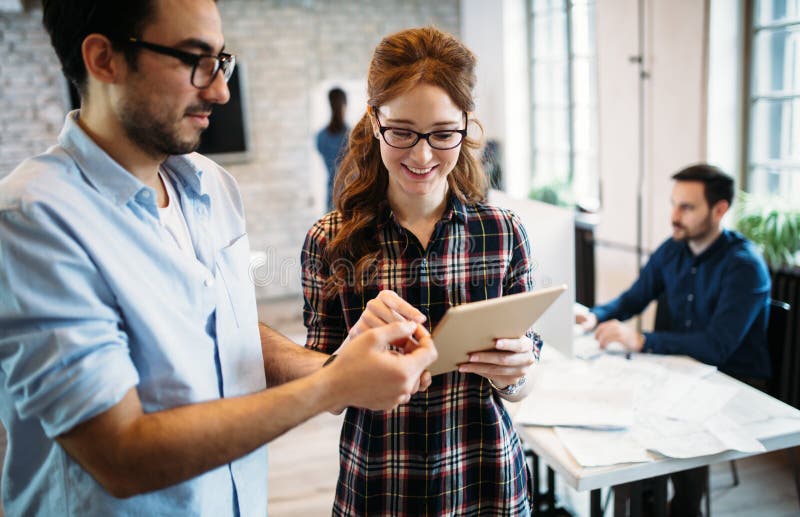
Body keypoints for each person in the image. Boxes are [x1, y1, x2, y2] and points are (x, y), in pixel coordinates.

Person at [0, 1, 436, 515]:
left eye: (220, 61)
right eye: (193, 60)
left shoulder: (210, 184)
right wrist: (330, 386)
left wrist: (337, 365)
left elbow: (227, 330)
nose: (221, 89)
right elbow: (119, 454)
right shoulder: (34, 219)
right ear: (103, 59)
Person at [301, 26, 540, 516]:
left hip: (487, 483)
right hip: (382, 487)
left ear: (467, 125)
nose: (422, 155)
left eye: (443, 134)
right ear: (374, 120)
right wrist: (349, 360)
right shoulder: (331, 240)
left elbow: (521, 382)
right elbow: (323, 395)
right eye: (403, 131)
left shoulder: (503, 233)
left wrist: (515, 374)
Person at [576, 163, 771, 516]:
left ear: (720, 209)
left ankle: (678, 508)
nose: (674, 216)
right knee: (620, 406)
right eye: (673, 204)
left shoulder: (744, 266)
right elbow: (634, 297)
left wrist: (642, 340)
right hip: (680, 369)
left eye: (687, 207)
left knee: (673, 422)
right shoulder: (674, 249)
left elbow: (717, 347)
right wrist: (596, 315)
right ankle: (643, 501)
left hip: (733, 378)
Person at [316, 87, 349, 211]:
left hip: (331, 197)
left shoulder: (320, 137)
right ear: (345, 105)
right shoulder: (353, 137)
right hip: (350, 198)